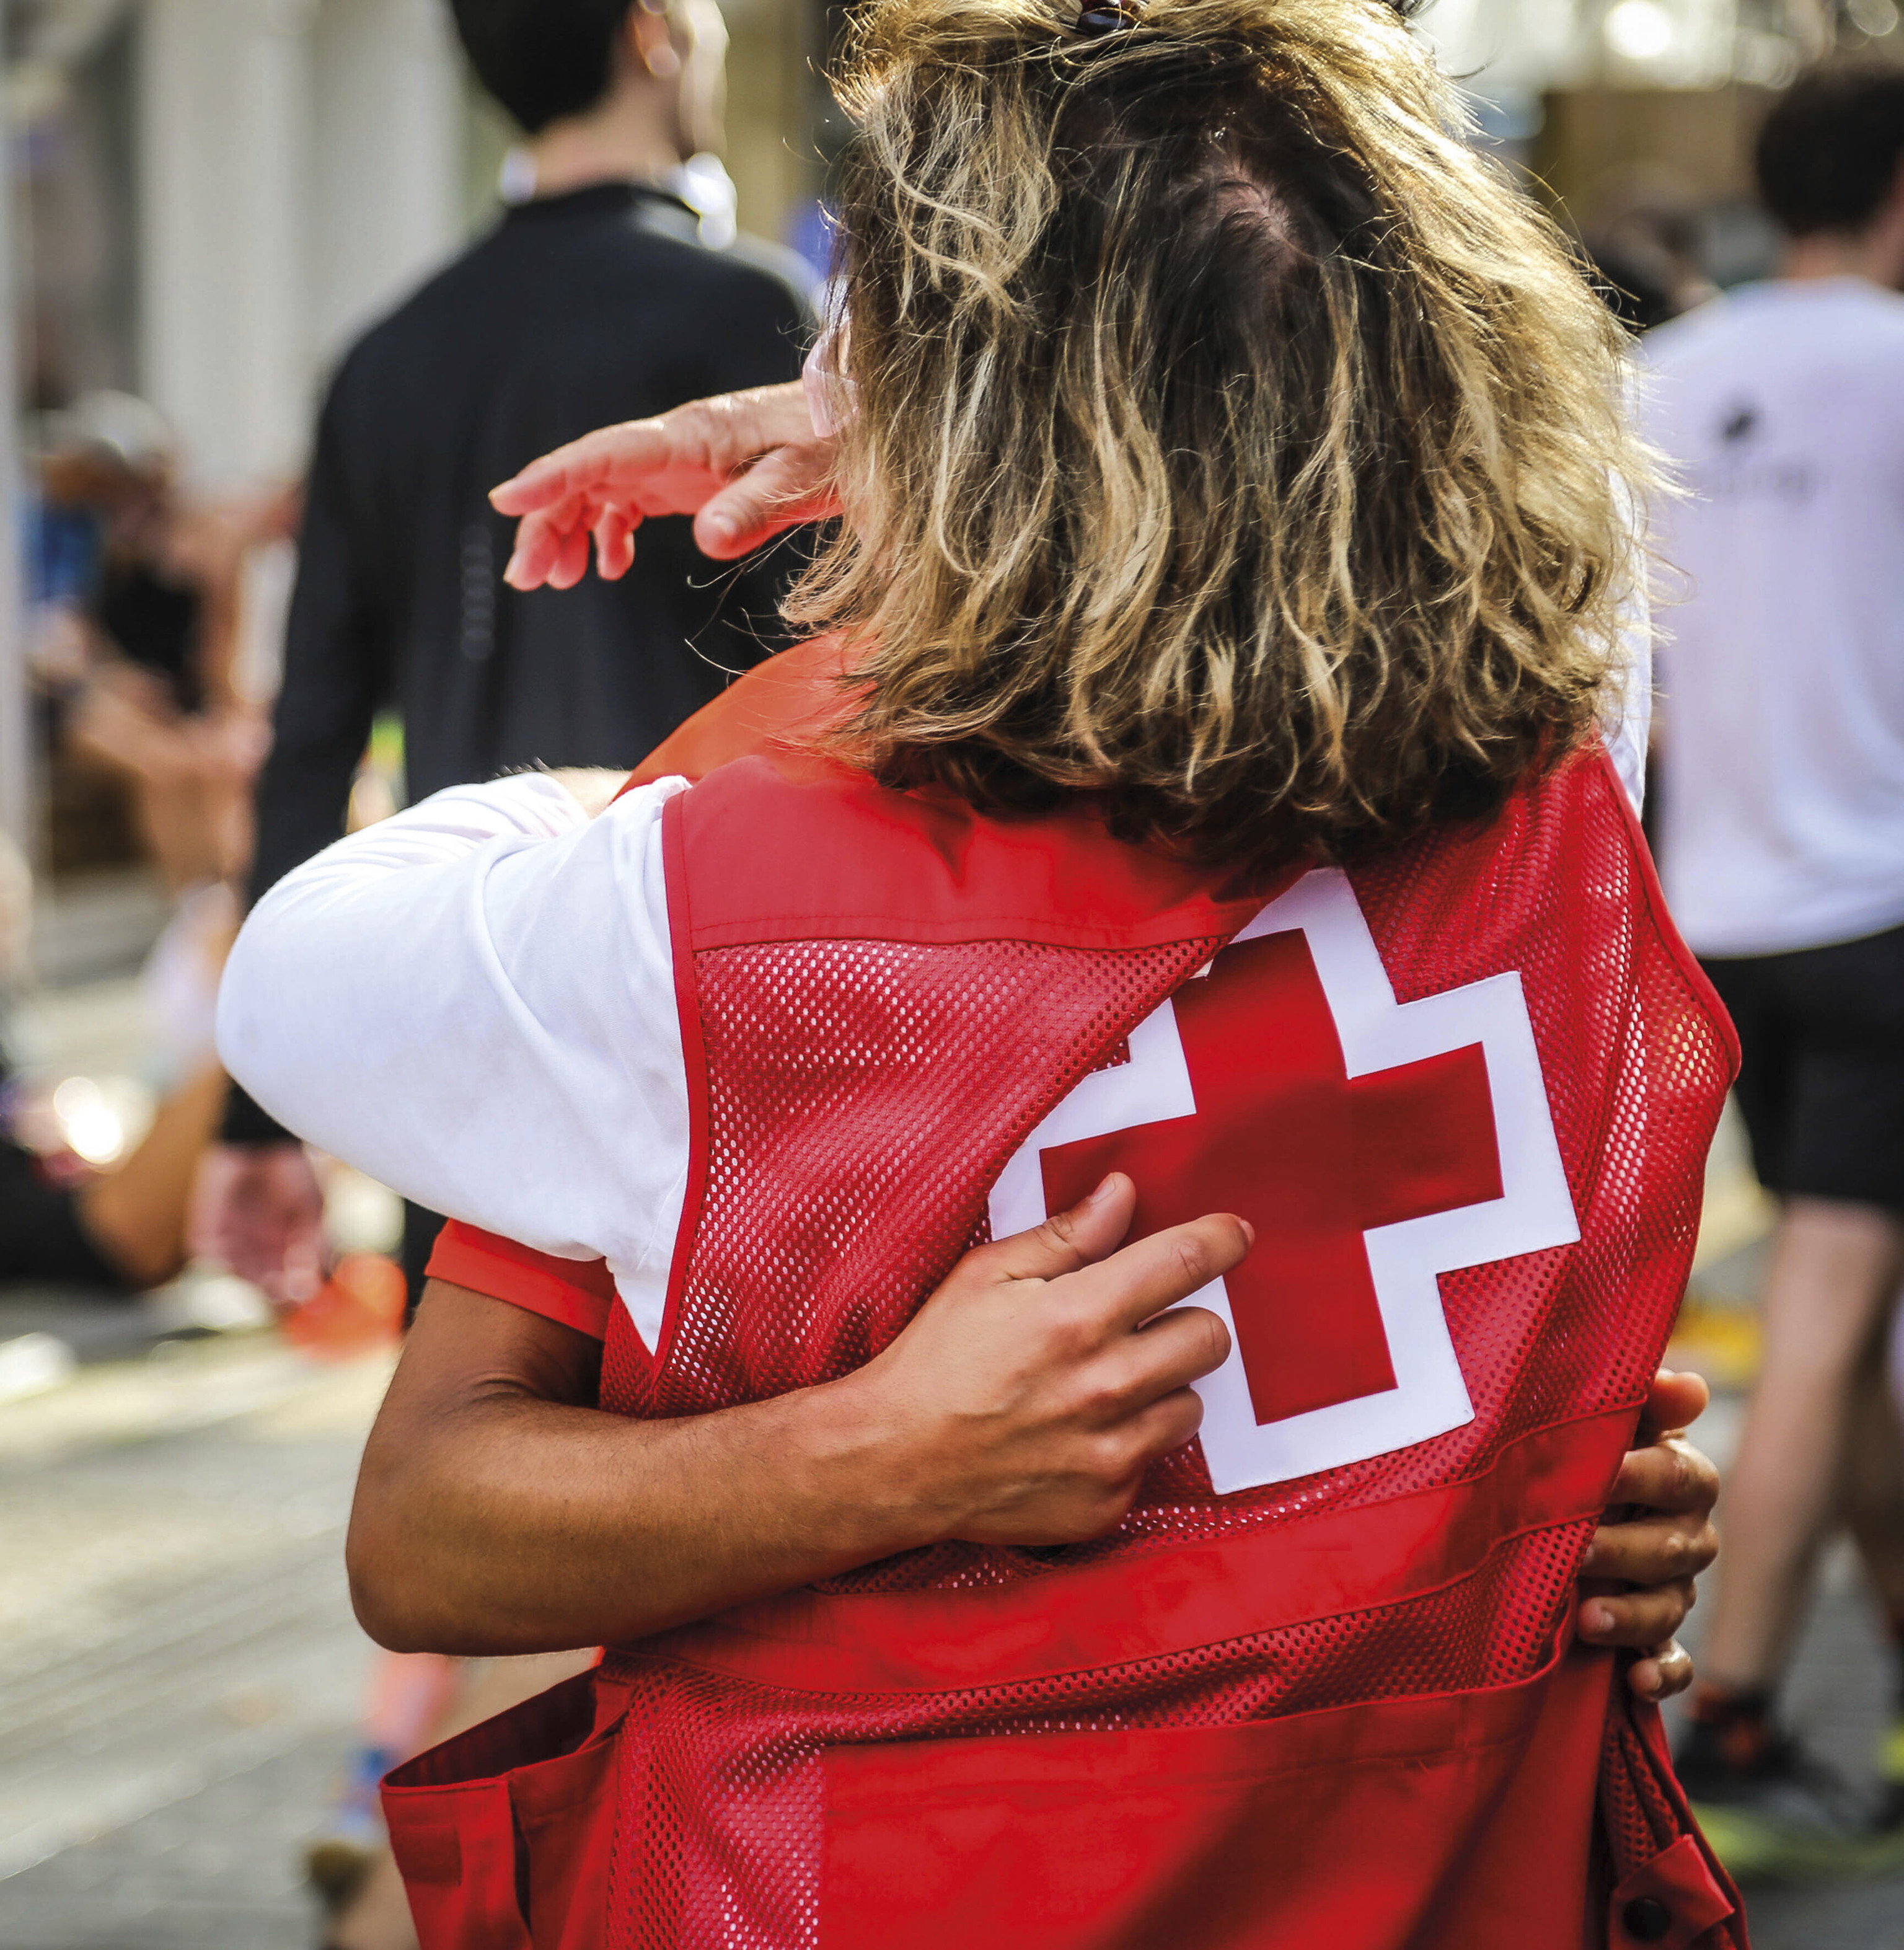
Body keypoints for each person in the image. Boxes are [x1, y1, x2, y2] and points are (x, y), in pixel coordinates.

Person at [220, 2, 1742, 1944]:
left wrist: (877, 1458)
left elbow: (307, 985)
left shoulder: (692, 922)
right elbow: (1585, 515)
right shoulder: (1559, 804)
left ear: (965, 420)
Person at [198, 0, 814, 1313]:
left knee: (484, 1454)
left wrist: (255, 1120)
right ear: (653, 32)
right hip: (724, 1017)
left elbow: (307, 743)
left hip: (474, 1023)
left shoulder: (382, 356)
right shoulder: (751, 309)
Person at [1637, 65, 1904, 1867]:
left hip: (1709, 917)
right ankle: (1729, 1706)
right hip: (1884, 905)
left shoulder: (1665, 380)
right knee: (1820, 1318)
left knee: (1851, 1324)